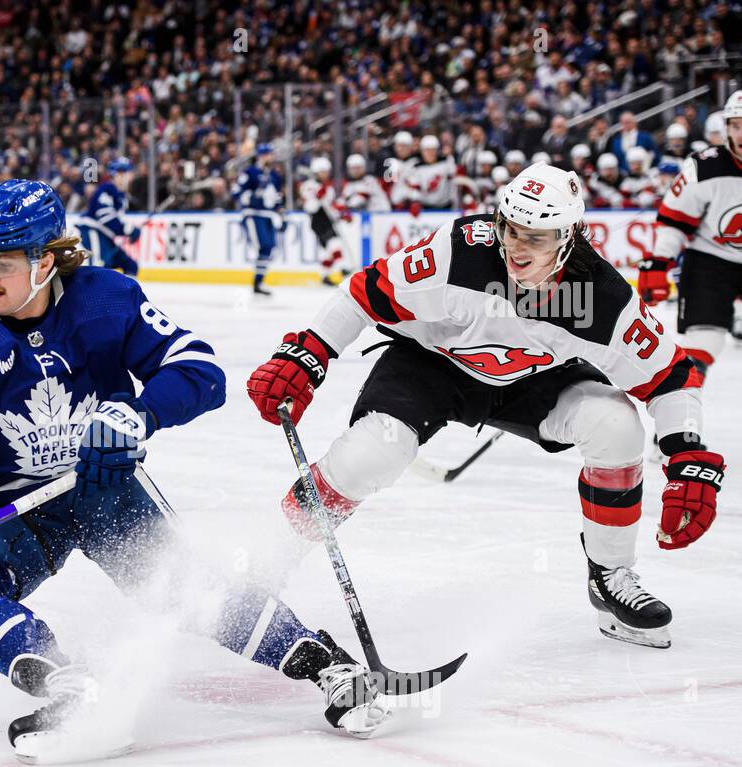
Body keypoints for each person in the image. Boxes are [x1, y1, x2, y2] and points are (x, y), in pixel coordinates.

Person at [0, 179, 389, 761]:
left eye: (4, 262)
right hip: (8, 507)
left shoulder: (107, 299)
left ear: (45, 261)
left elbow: (201, 372)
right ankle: (70, 689)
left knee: (183, 586)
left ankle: (328, 666)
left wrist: (138, 413)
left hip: (99, 487)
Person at [246, 164, 723, 649]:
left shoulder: (603, 299)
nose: (517, 247)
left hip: (530, 381)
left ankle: (610, 575)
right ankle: (265, 564)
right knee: (369, 456)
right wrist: (308, 352)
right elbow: (362, 295)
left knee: (617, 425)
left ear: (569, 237)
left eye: (536, 237)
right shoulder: (457, 252)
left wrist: (686, 455)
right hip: (430, 365)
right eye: (511, 229)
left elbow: (672, 377)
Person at [639, 91, 742, 377]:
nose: (741, 134)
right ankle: (684, 395)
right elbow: (674, 221)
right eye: (736, 125)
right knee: (703, 338)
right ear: (726, 129)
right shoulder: (704, 166)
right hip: (711, 260)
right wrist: (660, 262)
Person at [74, 157, 141, 276]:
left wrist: (127, 229)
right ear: (113, 175)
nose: (125, 176)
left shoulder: (120, 194)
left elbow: (115, 218)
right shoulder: (107, 189)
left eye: (126, 172)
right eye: (121, 172)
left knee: (130, 265)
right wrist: (128, 230)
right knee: (96, 270)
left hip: (106, 238)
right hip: (94, 232)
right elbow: (106, 217)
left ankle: (125, 289)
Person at [234, 143, 284, 296]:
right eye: (267, 154)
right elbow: (236, 192)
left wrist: (280, 211)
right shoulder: (250, 172)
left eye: (271, 154)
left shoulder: (275, 175)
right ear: (260, 156)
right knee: (263, 245)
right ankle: (257, 282)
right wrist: (250, 197)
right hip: (254, 214)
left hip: (268, 215)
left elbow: (277, 197)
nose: (270, 157)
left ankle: (259, 282)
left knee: (268, 248)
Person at [299, 156, 353, 285]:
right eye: (322, 171)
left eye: (326, 171)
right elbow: (310, 207)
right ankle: (343, 268)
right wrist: (317, 197)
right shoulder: (308, 186)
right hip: (318, 221)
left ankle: (325, 275)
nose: (325, 174)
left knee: (328, 250)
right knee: (334, 243)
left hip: (327, 220)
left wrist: (341, 214)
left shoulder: (328, 188)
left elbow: (330, 206)